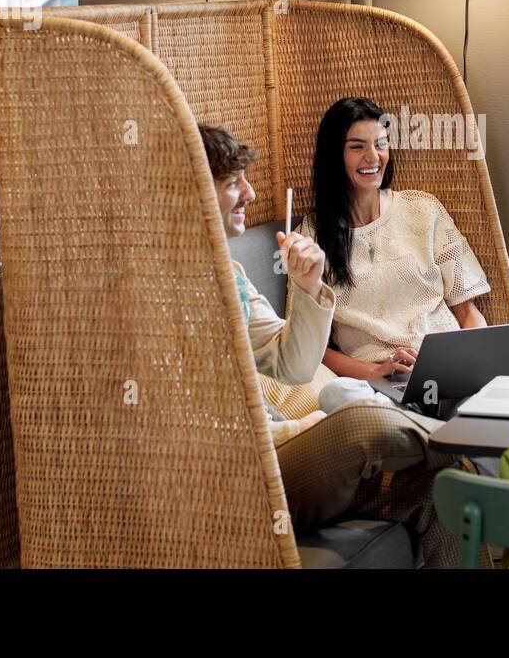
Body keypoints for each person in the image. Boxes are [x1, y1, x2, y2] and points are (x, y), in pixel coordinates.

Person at [197, 124, 477, 568]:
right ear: (188, 191)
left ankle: (468, 459)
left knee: (437, 488)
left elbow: (293, 366)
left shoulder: (228, 273)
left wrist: (309, 289)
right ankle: (485, 447)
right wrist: (308, 427)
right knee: (361, 423)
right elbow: (205, 432)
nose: (250, 193)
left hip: (286, 446)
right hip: (247, 471)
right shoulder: (159, 302)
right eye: (233, 183)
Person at [300, 97, 491, 380]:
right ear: (333, 155)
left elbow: (466, 312)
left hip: (449, 368)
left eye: (380, 143)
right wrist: (376, 371)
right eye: (357, 147)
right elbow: (311, 344)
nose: (373, 157)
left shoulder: (423, 210)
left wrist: (478, 363)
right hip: (382, 381)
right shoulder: (314, 234)